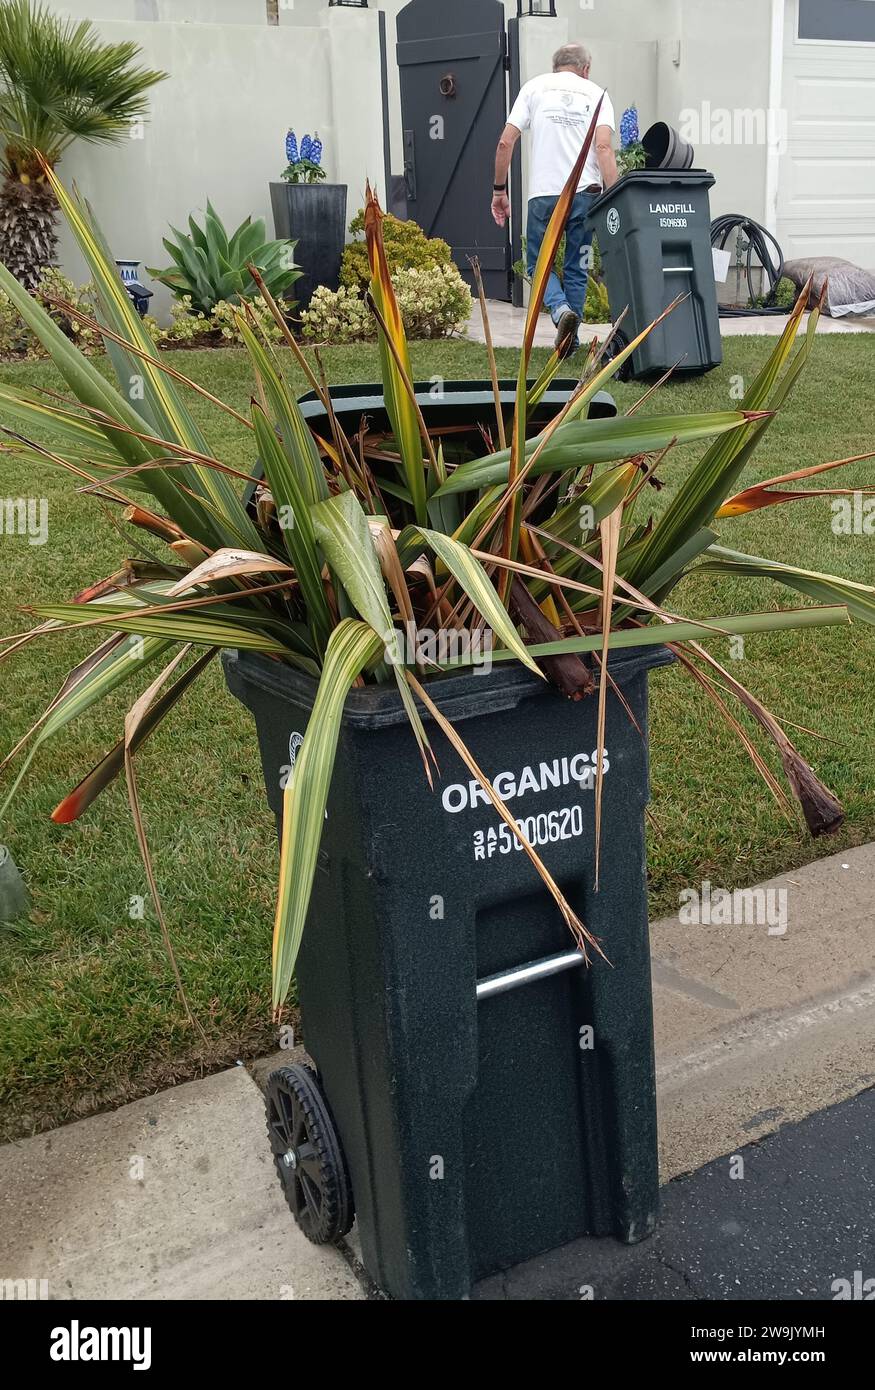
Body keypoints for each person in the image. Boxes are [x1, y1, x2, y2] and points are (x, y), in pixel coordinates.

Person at [491, 43, 617, 356]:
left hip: (544, 196)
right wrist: (616, 195)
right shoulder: (597, 95)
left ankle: (560, 312)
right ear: (585, 69)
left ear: (555, 66)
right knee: (576, 267)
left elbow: (506, 142)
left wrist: (499, 190)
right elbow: (603, 148)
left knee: (537, 264)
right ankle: (568, 342)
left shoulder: (534, 88)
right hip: (585, 195)